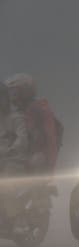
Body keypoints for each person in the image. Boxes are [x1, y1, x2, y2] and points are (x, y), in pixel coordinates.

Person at [5, 73, 59, 175]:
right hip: (19, 157)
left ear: (26, 91)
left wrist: (49, 165)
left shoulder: (39, 110)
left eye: (15, 92)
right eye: (10, 92)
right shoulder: (16, 113)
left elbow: (50, 138)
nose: (12, 96)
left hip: (34, 159)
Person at [0, 82, 30, 232]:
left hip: (15, 160)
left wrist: (12, 149)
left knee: (6, 184)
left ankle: (19, 219)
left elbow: (22, 137)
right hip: (1, 159)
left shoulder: (16, 117)